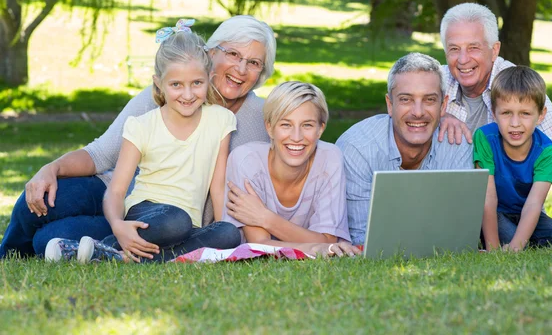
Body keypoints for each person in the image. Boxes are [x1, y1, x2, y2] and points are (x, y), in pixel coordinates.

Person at [0, 15, 276, 259]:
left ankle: (103, 251)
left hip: (175, 223)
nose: (241, 69)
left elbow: (291, 168)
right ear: (210, 53)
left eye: (253, 63)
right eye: (233, 54)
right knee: (42, 197)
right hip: (120, 194)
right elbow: (101, 154)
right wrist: (53, 168)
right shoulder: (168, 92)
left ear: (261, 73)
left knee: (49, 238)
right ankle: (8, 255)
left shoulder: (263, 119)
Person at [45, 20, 241, 263]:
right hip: (149, 213)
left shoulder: (221, 120)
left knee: (229, 234)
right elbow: (116, 191)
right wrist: (117, 224)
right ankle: (118, 244)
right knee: (175, 221)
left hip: (189, 225)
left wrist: (221, 231)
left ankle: (112, 254)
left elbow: (217, 185)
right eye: (176, 85)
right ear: (159, 83)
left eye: (197, 83)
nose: (188, 94)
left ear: (208, 78)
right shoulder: (141, 126)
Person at [438, 2, 552, 248]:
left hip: (512, 205)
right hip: (454, 204)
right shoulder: (432, 83)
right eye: (454, 49)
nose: (462, 59)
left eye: (473, 48)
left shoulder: (515, 85)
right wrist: (439, 115)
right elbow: (402, 119)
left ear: (494, 50)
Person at [335, 53, 474, 246]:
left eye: (429, 100)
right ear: (390, 105)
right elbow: (362, 239)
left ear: (443, 106)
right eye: (406, 100)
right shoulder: (357, 149)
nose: (418, 112)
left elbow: (459, 233)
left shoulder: (456, 143)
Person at [222, 81, 360, 257]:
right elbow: (259, 245)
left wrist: (265, 217)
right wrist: (313, 246)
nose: (296, 137)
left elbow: (327, 241)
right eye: (286, 125)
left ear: (320, 129)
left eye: (307, 125)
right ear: (270, 128)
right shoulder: (246, 160)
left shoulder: (330, 158)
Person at [474, 66, 552, 251]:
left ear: (541, 115)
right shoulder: (485, 139)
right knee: (509, 238)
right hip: (495, 211)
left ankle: (520, 240)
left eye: (525, 113)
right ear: (494, 113)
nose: (515, 123)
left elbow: (534, 204)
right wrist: (493, 247)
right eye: (506, 113)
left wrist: (517, 246)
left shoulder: (547, 152)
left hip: (524, 210)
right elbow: (488, 197)